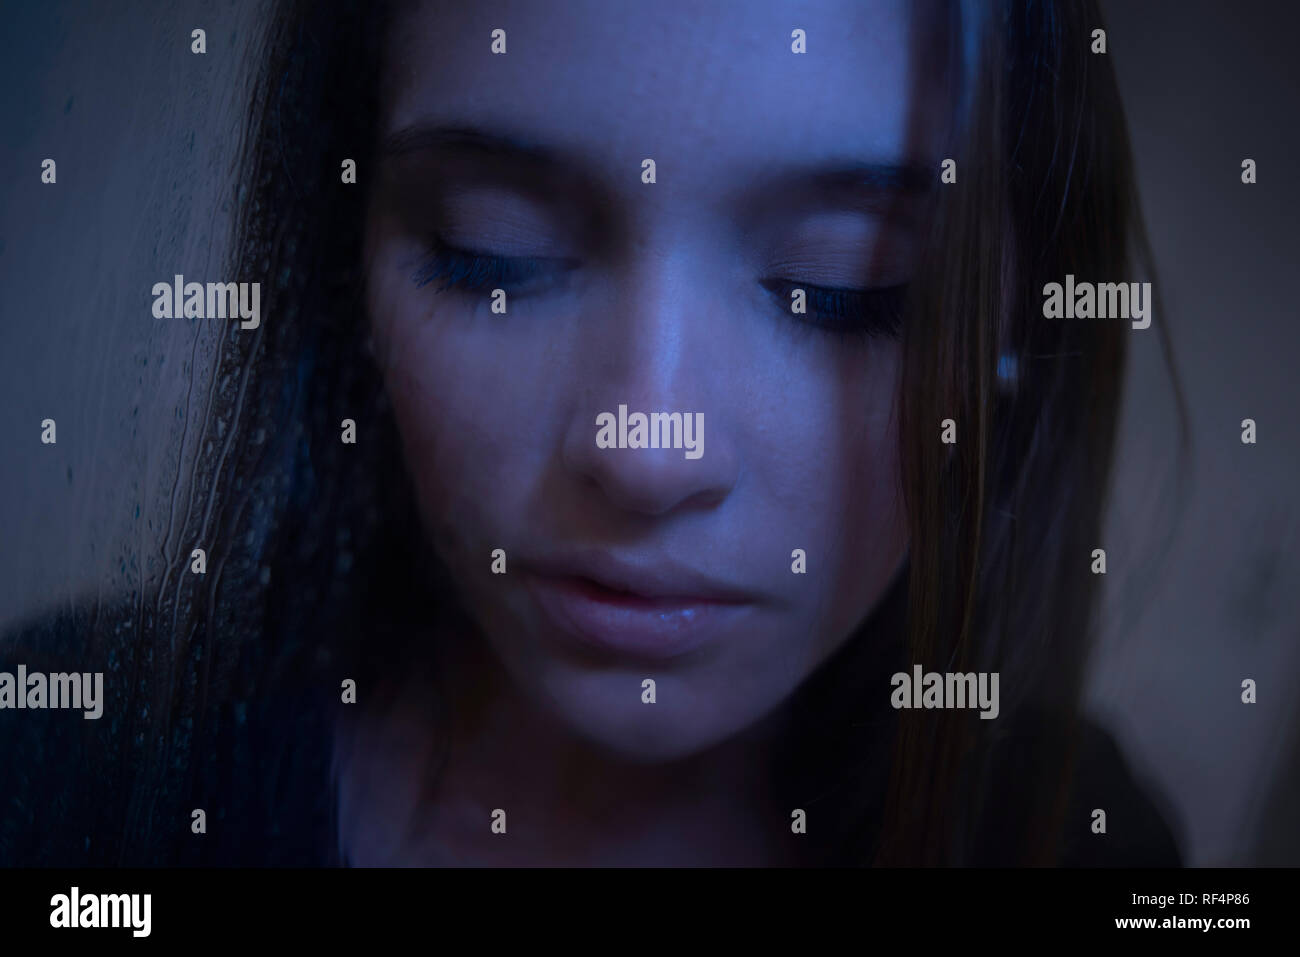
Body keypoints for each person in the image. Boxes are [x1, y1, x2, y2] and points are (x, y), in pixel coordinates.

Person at [0, 0, 1183, 867]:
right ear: (345, 269)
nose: (645, 451)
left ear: (1019, 332)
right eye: (492, 252)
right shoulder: (67, 763)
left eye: (848, 288)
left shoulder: (1080, 837)